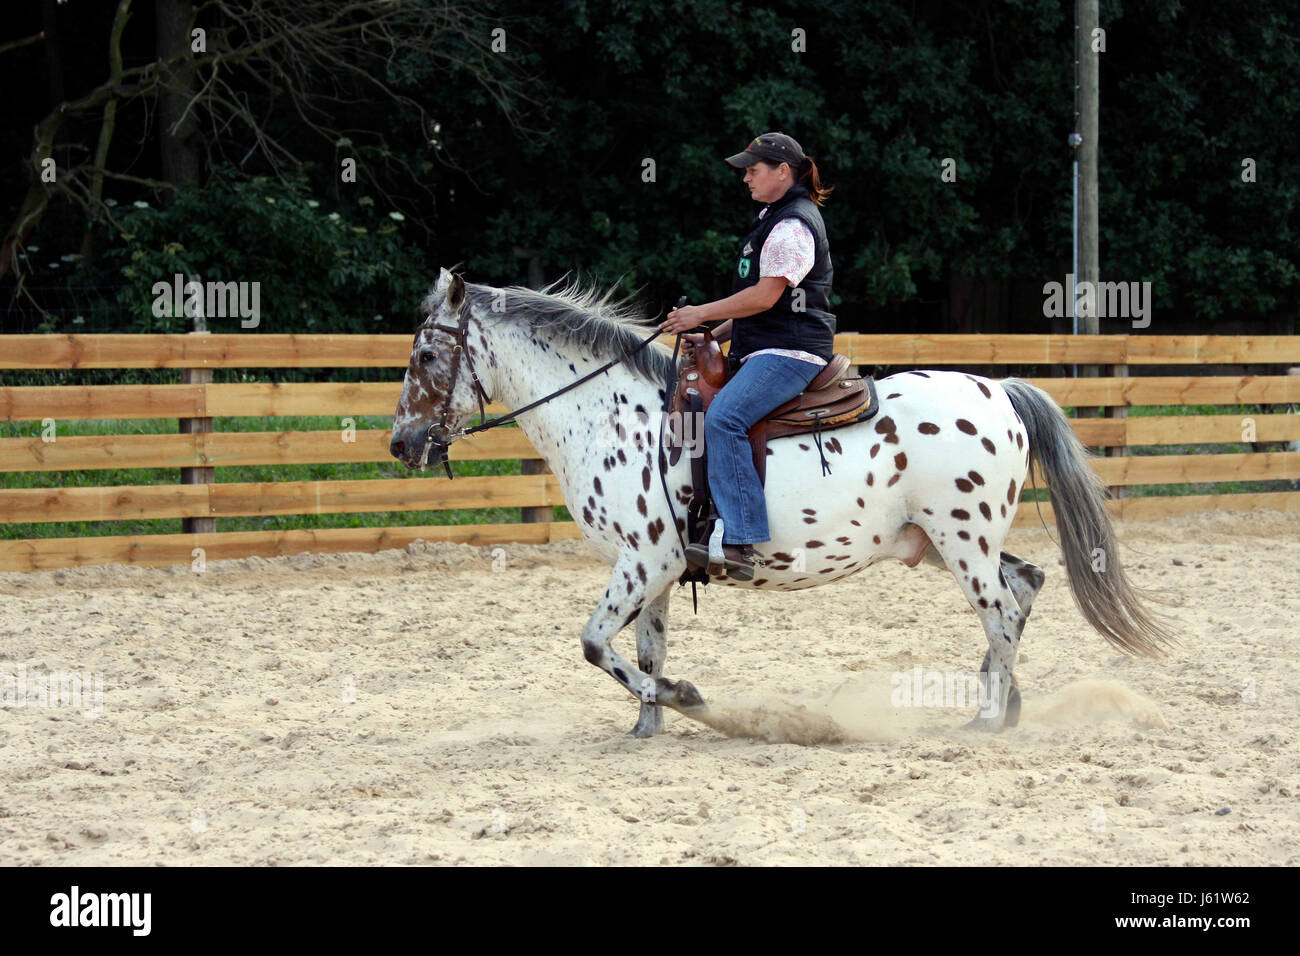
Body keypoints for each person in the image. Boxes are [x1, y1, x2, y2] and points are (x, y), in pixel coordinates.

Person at [659, 131, 836, 581]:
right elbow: (758, 308)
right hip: (767, 344)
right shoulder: (772, 218)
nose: (746, 179)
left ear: (783, 172)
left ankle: (740, 539)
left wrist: (698, 313)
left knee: (724, 419)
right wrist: (710, 335)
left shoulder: (792, 225)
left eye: (753, 171)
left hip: (791, 351)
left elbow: (763, 297)